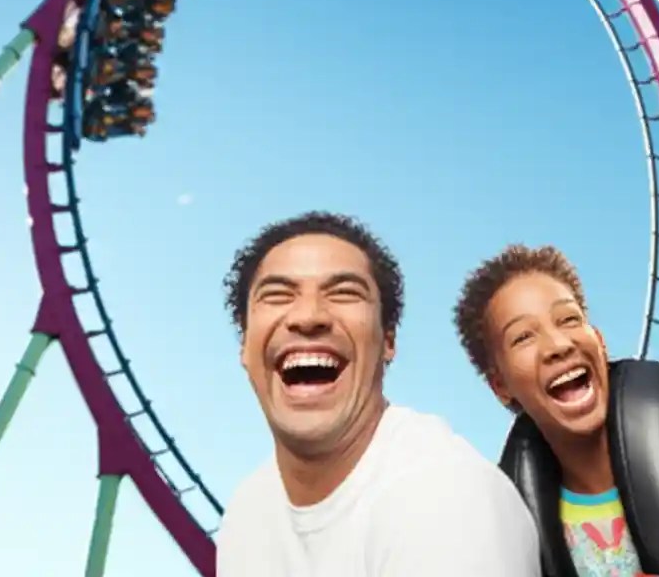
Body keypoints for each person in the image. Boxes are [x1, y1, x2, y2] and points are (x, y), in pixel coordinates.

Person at [215, 211, 540, 576]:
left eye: (344, 293)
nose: (307, 316)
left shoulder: (447, 496)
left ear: (388, 341)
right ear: (244, 345)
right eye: (277, 295)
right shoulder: (247, 513)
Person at [453, 245, 657, 577]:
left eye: (569, 319)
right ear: (499, 386)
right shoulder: (507, 532)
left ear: (600, 342)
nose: (558, 346)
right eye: (522, 338)